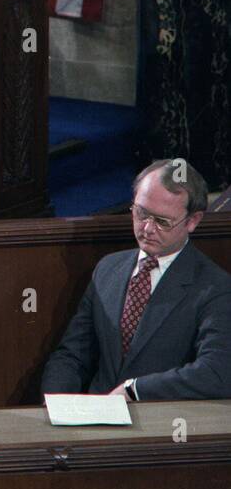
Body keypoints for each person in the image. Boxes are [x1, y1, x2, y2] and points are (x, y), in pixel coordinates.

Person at [41, 159, 231, 401]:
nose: (147, 229)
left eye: (162, 221)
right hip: (94, 421)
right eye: (141, 213)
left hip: (160, 427)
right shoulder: (108, 269)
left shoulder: (215, 288)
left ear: (192, 221)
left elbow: (217, 373)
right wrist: (58, 404)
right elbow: (72, 355)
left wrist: (135, 390)